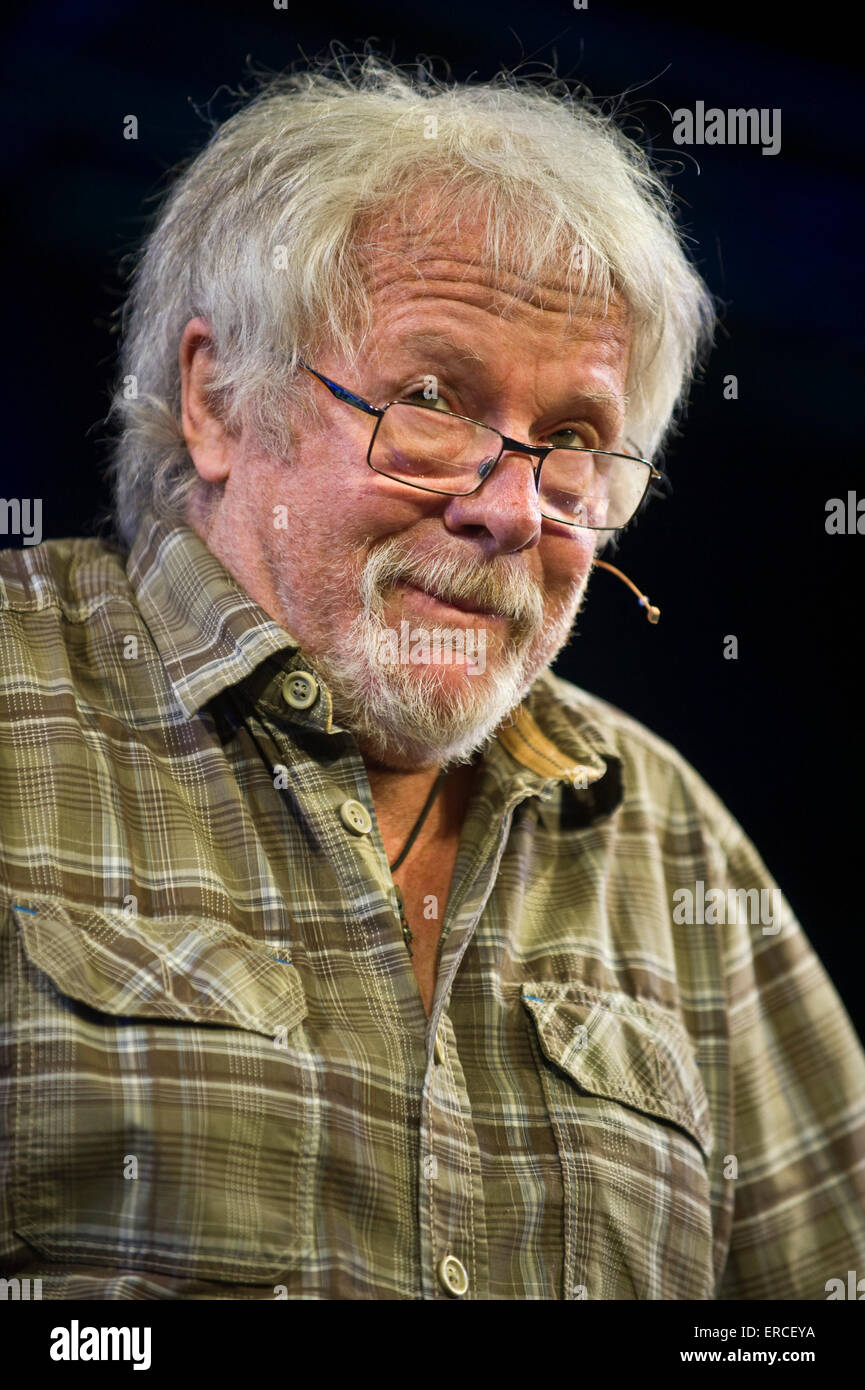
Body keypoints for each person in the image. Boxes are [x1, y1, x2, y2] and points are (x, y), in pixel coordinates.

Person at [1, 56, 863, 1302]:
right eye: (428, 401)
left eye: (571, 442)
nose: (512, 509)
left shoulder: (672, 841)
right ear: (216, 399)